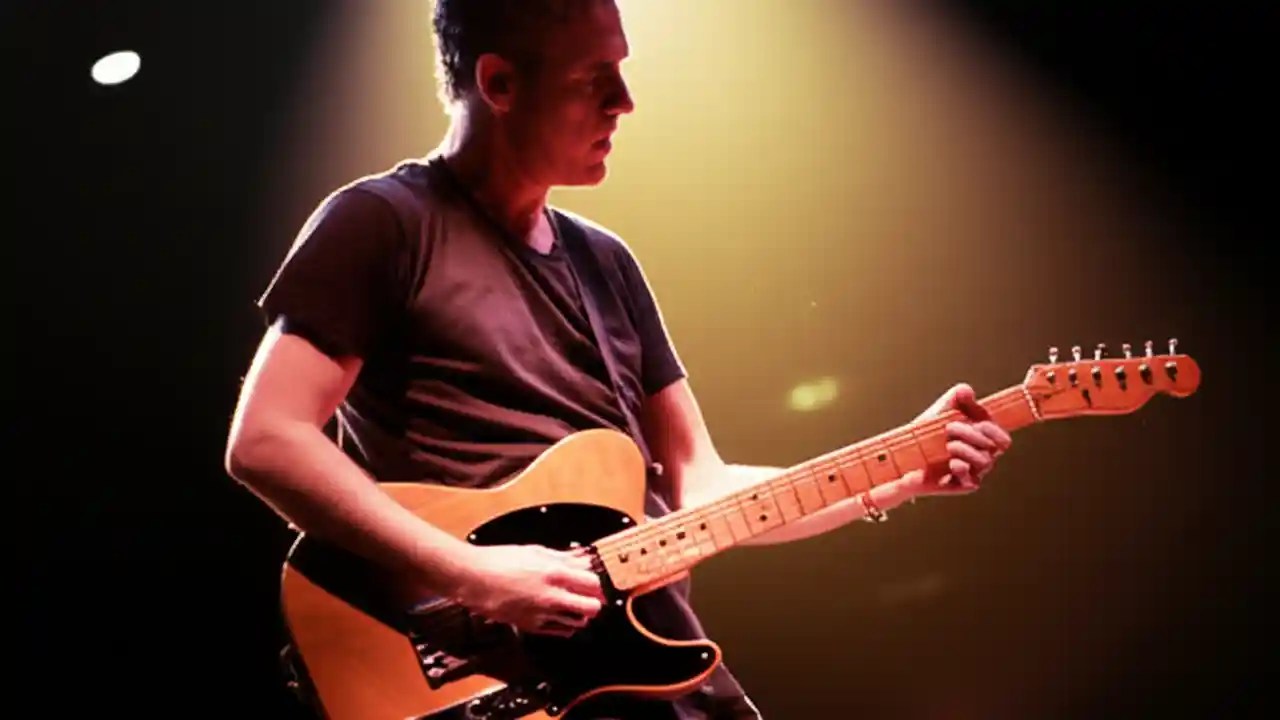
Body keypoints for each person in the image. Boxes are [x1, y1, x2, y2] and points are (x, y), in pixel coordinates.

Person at [223, 1, 1013, 718]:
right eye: (594, 78)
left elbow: (703, 486)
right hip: (487, 682)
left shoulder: (607, 264)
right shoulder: (383, 224)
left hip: (646, 672)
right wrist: (474, 576)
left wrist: (901, 471)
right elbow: (266, 441)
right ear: (497, 82)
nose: (624, 102)